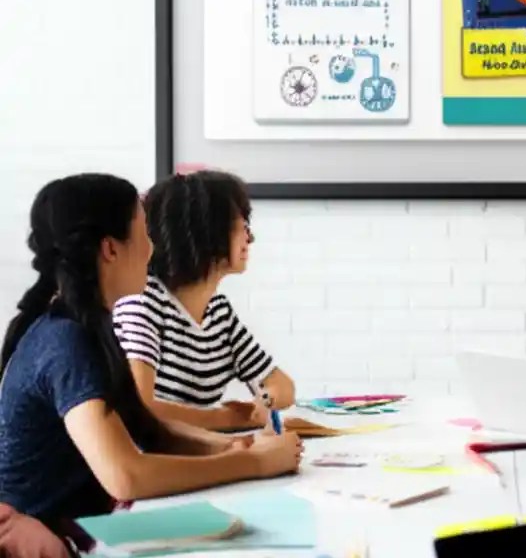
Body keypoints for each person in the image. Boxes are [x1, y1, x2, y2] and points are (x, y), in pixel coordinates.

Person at [0, 174, 302, 541]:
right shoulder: (66, 342)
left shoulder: (91, 327)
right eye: (144, 234)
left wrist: (236, 446)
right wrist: (252, 463)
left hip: (83, 533)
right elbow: (126, 475)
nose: (153, 250)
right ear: (111, 249)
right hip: (46, 543)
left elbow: (145, 427)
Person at [113, 171, 295, 431]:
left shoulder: (219, 313)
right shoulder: (142, 304)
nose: (249, 237)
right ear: (206, 232)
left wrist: (263, 402)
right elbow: (140, 406)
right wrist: (229, 419)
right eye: (242, 225)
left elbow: (283, 386)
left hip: (191, 451)